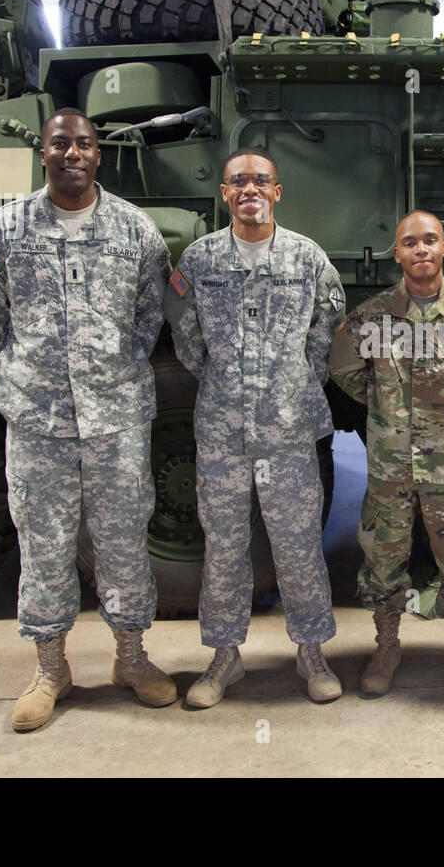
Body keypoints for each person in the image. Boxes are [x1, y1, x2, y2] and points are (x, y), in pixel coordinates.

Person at [0, 108, 177, 732]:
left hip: (115, 417)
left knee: (123, 542)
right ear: (45, 153)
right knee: (44, 545)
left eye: (84, 143)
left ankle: (132, 660)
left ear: (98, 153)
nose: (73, 153)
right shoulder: (3, 230)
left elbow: (147, 316)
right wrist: (28, 370)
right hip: (37, 418)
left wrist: (115, 368)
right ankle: (51, 670)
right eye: (61, 144)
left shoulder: (135, 231)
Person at [164, 147, 345, 706]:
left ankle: (312, 653)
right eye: (238, 182)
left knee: (297, 546)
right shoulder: (199, 261)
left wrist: (295, 380)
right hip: (222, 432)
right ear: (224, 193)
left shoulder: (307, 258)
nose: (249, 190)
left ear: (276, 191)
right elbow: (185, 335)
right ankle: (224, 657)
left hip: (289, 431)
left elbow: (329, 325)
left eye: (260, 181)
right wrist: (225, 381)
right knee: (223, 547)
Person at [330, 211, 444, 696]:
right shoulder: (371, 318)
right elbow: (345, 370)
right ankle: (387, 646)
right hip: (391, 464)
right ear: (398, 254)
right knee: (384, 556)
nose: (421, 249)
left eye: (430, 240)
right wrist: (388, 409)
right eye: (411, 243)